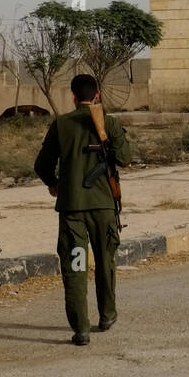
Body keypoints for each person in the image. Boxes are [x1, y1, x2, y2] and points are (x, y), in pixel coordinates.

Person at [34, 74, 131, 345]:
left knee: (75, 267)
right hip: (103, 208)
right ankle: (107, 315)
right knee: (105, 263)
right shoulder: (109, 122)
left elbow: (42, 165)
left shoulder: (61, 125)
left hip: (72, 209)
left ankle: (81, 328)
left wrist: (54, 185)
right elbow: (125, 158)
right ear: (97, 95)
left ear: (73, 96)